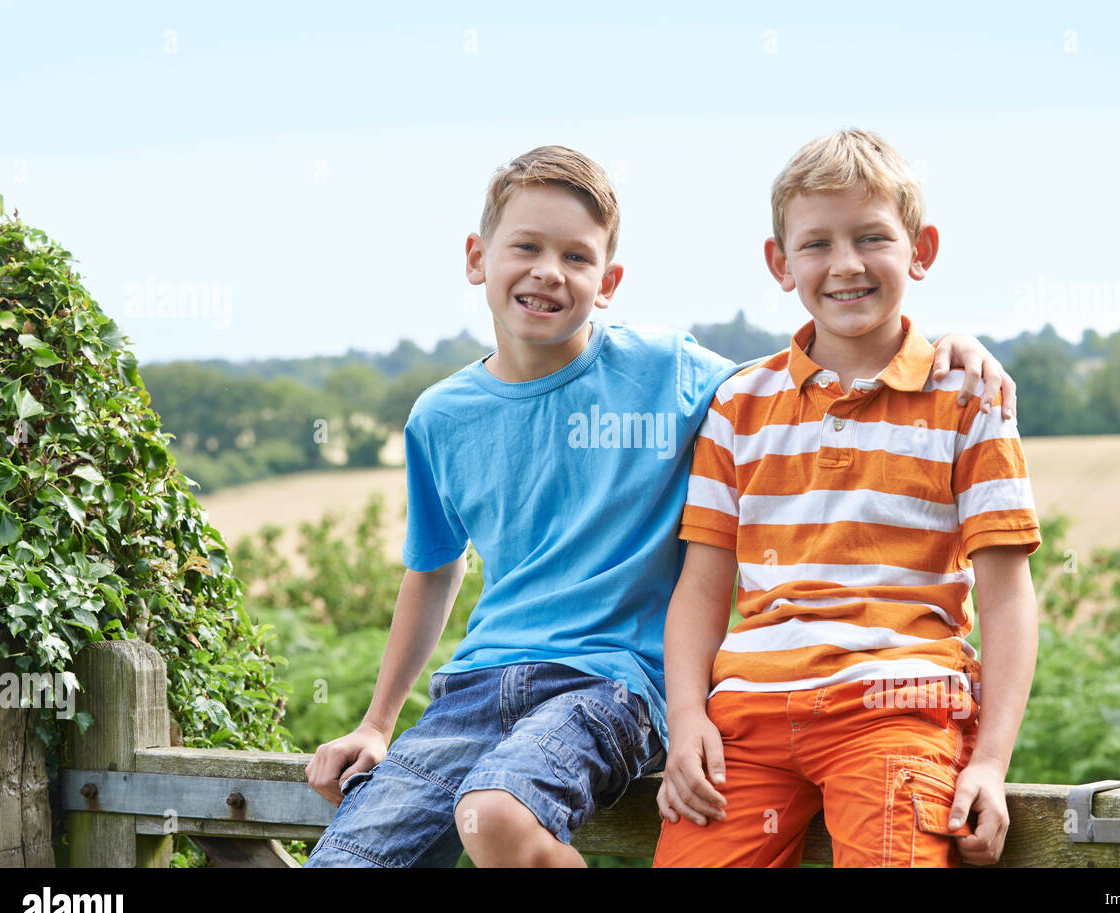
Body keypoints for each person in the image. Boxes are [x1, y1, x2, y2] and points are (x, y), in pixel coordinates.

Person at [303, 144, 1017, 867]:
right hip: (478, 689)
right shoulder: (440, 416)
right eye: (526, 246)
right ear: (475, 257)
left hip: (613, 683)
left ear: (608, 280)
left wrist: (944, 347)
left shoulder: (676, 376)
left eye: (576, 257)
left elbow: (823, 374)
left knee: (494, 815)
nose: (549, 271)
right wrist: (376, 720)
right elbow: (433, 569)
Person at [653, 128, 1041, 868]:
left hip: (895, 709)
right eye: (817, 244)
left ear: (920, 250)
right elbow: (701, 587)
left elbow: (1008, 599)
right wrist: (685, 717)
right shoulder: (739, 403)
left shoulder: (970, 399)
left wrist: (990, 761)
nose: (846, 265)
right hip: (746, 721)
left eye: (872, 237)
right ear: (780, 262)